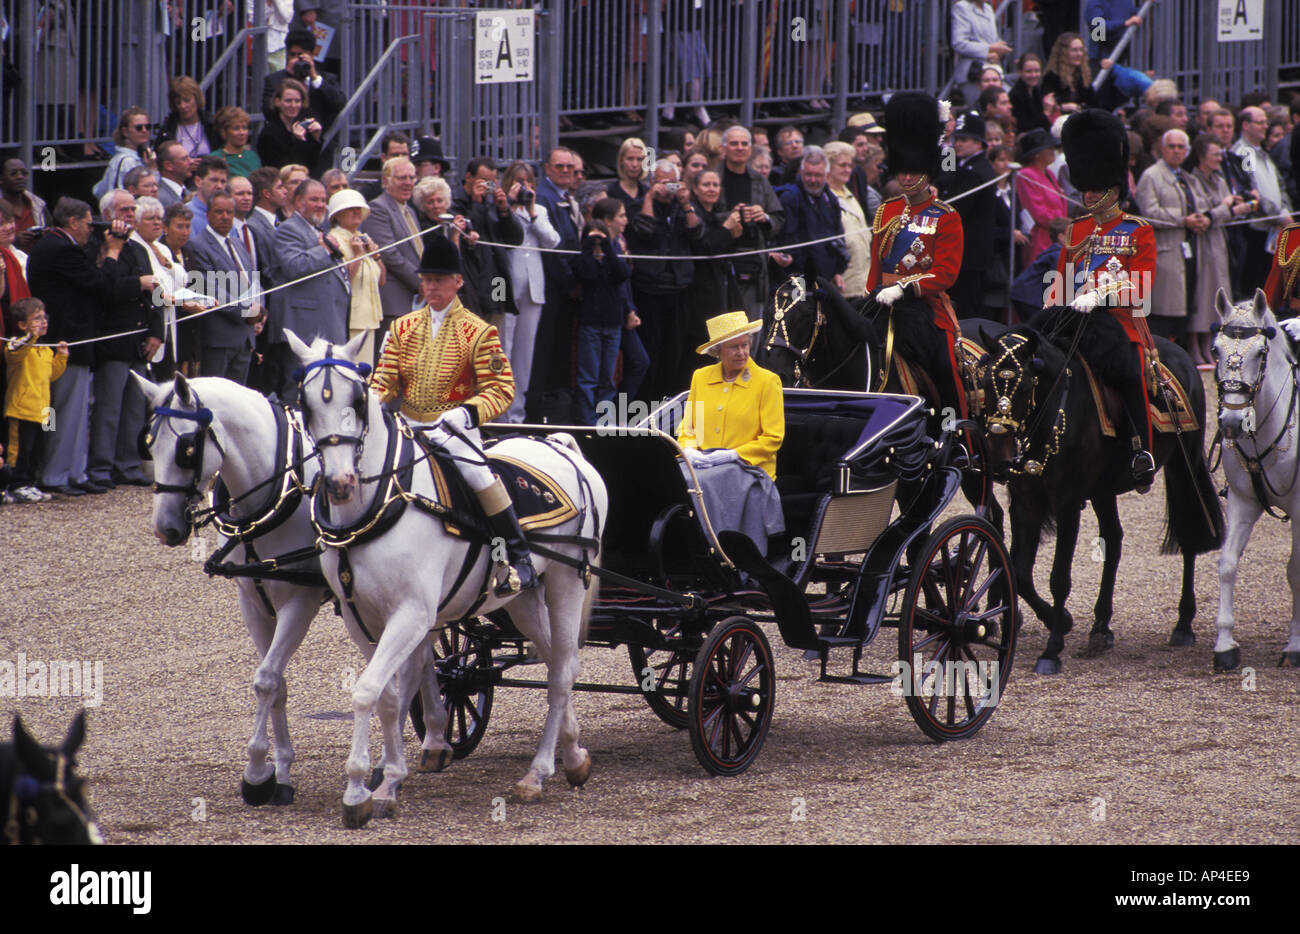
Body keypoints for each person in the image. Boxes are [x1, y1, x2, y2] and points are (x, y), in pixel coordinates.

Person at [369, 234, 537, 596]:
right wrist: (367, 403)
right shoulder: (401, 327)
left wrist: (466, 414)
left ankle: (516, 555)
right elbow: (385, 378)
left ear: (457, 282)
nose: (430, 287)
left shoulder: (479, 331)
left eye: (438, 281)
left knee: (478, 474)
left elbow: (501, 388)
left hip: (454, 430)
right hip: (408, 426)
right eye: (426, 280)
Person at [1052, 109, 1158, 490]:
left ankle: (1142, 451)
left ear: (1114, 188)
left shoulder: (1137, 230)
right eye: (1087, 189)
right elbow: (1063, 278)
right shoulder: (1077, 227)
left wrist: (1099, 296)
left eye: (1097, 189)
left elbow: (1140, 288)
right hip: (1075, 320)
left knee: (1130, 376)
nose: (1090, 195)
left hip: (1119, 324)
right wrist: (1054, 302)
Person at [25, 198, 156, 496]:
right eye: (88, 223)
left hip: (73, 340)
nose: (90, 230)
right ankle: (56, 473)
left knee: (75, 412)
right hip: (67, 339)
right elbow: (101, 285)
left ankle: (72, 471)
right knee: (65, 411)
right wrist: (112, 251)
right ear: (73, 223)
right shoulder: (62, 249)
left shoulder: (57, 247)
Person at [866, 92, 967, 433]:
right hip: (882, 304)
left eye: (914, 172)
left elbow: (946, 274)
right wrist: (874, 293)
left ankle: (959, 435)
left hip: (925, 310)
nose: (907, 178)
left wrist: (904, 289)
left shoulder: (946, 217)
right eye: (902, 172)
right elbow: (876, 263)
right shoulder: (888, 209)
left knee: (946, 369)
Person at [676, 311, 785, 555]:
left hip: (749, 468)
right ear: (717, 351)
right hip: (705, 462)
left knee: (702, 483)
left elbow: (773, 438)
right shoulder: (701, 377)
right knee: (672, 477)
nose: (742, 352)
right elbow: (689, 426)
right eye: (734, 347)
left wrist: (733, 455)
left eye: (745, 345)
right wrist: (689, 448)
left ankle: (714, 553)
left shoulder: (767, 381)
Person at [88, 189, 163, 488]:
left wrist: (157, 332)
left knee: (135, 407)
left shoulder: (139, 249)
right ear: (107, 215)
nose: (131, 215)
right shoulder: (98, 246)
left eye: (133, 210)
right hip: (113, 337)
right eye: (124, 210)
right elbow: (104, 289)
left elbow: (155, 290)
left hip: (139, 338)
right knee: (108, 408)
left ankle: (128, 463)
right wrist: (136, 283)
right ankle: (101, 468)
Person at [626, 158, 698, 403]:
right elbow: (643, 231)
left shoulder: (683, 207)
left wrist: (687, 204)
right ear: (651, 182)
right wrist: (649, 198)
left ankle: (669, 402)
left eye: (672, 183)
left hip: (679, 289)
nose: (667, 188)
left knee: (675, 352)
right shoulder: (638, 205)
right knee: (650, 352)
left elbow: (698, 235)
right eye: (662, 182)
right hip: (649, 290)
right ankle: (645, 403)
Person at [273, 179, 350, 399]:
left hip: (325, 325)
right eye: (314, 199)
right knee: (297, 387)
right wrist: (324, 249)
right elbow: (294, 267)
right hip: (303, 327)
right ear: (298, 202)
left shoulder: (316, 230)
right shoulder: (289, 229)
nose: (320, 204)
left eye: (323, 200)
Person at [499, 160, 560, 423]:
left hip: (533, 290)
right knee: (503, 348)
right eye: (518, 183)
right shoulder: (500, 208)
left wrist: (533, 212)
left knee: (524, 355)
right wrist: (511, 205)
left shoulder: (541, 210)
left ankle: (517, 415)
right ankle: (498, 414)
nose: (524, 188)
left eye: (528, 183)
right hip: (506, 287)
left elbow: (553, 241)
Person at [1134, 129, 1204, 345]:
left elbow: (1201, 201)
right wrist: (1182, 219)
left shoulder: (1186, 176)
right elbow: (1148, 211)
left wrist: (1202, 217)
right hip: (1164, 249)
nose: (1176, 151)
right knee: (1163, 308)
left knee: (1184, 304)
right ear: (1162, 149)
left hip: (1188, 247)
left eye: (1180, 147)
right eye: (1171, 146)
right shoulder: (1151, 175)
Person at [187, 190, 261, 384]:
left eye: (229, 212)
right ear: (207, 214)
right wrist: (247, 311)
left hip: (245, 337)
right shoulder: (197, 245)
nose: (225, 217)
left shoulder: (237, 243)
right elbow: (209, 287)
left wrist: (260, 308)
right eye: (219, 212)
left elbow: (253, 279)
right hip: (219, 337)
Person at [1187, 133, 1246, 364]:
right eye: (1215, 154)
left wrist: (1232, 209)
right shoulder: (1193, 179)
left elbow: (1220, 214)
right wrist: (1226, 207)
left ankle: (1209, 342)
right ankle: (1194, 344)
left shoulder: (1220, 179)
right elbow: (1205, 214)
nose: (1220, 158)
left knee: (1218, 291)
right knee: (1201, 293)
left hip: (1218, 241)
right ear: (1202, 156)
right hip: (1201, 242)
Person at [717, 125, 784, 325]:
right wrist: (730, 217)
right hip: (719, 263)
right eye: (734, 143)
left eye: (744, 144)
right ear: (724, 149)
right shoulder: (713, 177)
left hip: (754, 264)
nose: (739, 148)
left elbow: (778, 219)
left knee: (751, 327)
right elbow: (702, 216)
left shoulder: (760, 180)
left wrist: (763, 217)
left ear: (750, 149)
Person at [4, 299, 66, 503]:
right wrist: (31, 336)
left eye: (44, 317)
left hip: (45, 410)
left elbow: (51, 376)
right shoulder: (17, 345)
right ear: (23, 325)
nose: (44, 321)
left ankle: (31, 482)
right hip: (21, 410)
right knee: (19, 450)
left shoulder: (46, 350)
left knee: (39, 449)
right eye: (37, 318)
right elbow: (14, 351)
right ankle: (16, 484)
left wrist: (61, 357)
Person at [361, 156, 423, 361]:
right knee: (388, 365)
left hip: (411, 300)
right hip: (392, 302)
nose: (408, 182)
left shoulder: (410, 211)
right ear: (386, 181)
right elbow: (389, 253)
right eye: (401, 177)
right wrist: (420, 282)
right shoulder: (378, 208)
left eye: (411, 177)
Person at [685, 168, 744, 382]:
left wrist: (732, 234)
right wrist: (727, 230)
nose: (712, 189)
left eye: (715, 185)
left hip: (719, 290)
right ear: (695, 189)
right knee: (701, 350)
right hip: (698, 295)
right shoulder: (694, 212)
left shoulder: (713, 214)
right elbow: (705, 247)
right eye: (706, 185)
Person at [1232, 106, 1295, 298]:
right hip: (1255, 228)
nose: (1265, 126)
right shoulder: (1242, 153)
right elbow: (1251, 189)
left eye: (1266, 122)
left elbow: (1280, 186)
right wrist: (1278, 215)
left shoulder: (1264, 153)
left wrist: (1285, 212)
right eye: (1260, 122)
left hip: (1273, 226)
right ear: (1245, 125)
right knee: (1253, 284)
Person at [452, 158, 523, 328]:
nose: (488, 187)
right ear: (469, 177)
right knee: (471, 332)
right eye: (484, 181)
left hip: (497, 278)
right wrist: (476, 203)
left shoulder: (493, 203)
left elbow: (515, 240)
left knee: (494, 331)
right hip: (473, 278)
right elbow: (467, 232)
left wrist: (504, 210)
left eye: (493, 182)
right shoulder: (455, 202)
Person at [943, 112, 999, 319]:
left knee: (966, 308)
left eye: (963, 139)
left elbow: (955, 206)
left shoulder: (977, 171)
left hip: (969, 255)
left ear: (978, 142)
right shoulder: (963, 164)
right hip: (966, 254)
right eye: (956, 139)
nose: (957, 144)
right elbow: (944, 177)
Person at [775, 146, 847, 292]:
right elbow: (789, 240)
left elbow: (838, 236)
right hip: (797, 278)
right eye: (808, 174)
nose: (813, 180)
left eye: (818, 175)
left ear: (826, 175)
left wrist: (837, 271)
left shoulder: (830, 199)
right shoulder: (789, 197)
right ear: (801, 172)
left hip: (825, 277)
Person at [328, 189, 385, 367]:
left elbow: (381, 280)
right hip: (350, 319)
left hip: (369, 318)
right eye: (350, 208)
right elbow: (343, 280)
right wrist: (358, 255)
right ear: (337, 214)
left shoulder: (363, 238)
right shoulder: (334, 239)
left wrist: (376, 256)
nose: (356, 212)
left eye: (359, 208)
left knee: (365, 370)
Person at [824, 142, 871, 298]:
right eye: (842, 165)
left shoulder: (849, 194)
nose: (847, 170)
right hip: (843, 283)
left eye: (849, 165)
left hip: (862, 280)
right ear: (828, 167)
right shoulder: (824, 198)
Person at [1015, 128, 1067, 267]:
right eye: (1049, 148)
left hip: (1058, 237)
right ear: (1037, 154)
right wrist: (1062, 222)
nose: (1053, 151)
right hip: (1041, 240)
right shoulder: (1026, 174)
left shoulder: (1048, 172)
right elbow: (1038, 212)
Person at [951, 0, 1010, 109]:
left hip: (993, 68)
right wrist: (988, 50)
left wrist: (999, 50)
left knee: (1007, 100)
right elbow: (959, 43)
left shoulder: (988, 8)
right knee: (984, 109)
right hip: (972, 74)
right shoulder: (961, 7)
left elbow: (993, 39)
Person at [256, 78, 324, 172]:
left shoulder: (300, 127)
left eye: (297, 101)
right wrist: (299, 141)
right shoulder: (269, 133)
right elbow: (286, 169)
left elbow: (312, 164)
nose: (293, 105)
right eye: (288, 101)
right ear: (277, 102)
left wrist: (315, 138)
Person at [155, 76, 221, 166]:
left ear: (196, 99)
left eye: (187, 100)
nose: (183, 106)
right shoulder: (168, 129)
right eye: (178, 102)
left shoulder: (211, 125)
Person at [93, 107, 156, 200]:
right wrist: (153, 170)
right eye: (139, 127)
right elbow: (149, 192)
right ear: (125, 131)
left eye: (148, 127)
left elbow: (98, 190)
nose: (144, 130)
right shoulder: (127, 161)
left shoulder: (120, 158)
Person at [1043, 33, 1098, 115]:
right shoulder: (1051, 77)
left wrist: (1080, 107)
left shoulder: (1082, 76)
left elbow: (1095, 105)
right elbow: (1048, 107)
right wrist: (1064, 107)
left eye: (1081, 50)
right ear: (1063, 53)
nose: (1079, 54)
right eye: (1074, 50)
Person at [1, 158, 51, 247]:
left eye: (24, 173)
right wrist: (13, 241)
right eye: (13, 174)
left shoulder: (39, 205)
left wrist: (46, 236)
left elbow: (52, 232)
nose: (20, 177)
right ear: (1, 179)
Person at [0, 202, 32, 331]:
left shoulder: (20, 257)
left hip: (16, 332)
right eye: (1, 224)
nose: (9, 227)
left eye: (11, 221)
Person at [187, 155, 230, 239]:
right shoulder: (186, 216)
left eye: (223, 182)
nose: (219, 186)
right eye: (214, 180)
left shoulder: (228, 217)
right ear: (198, 181)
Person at [214, 106, 262, 179]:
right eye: (236, 128)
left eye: (244, 128)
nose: (242, 132)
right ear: (224, 132)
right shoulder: (215, 158)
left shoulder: (253, 156)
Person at [606, 138, 649, 213]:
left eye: (639, 159)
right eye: (630, 159)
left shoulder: (647, 193)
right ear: (621, 160)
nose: (634, 164)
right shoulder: (610, 192)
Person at [154, 141, 192, 209]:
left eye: (189, 157)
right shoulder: (158, 198)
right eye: (184, 159)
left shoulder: (190, 195)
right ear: (168, 165)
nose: (191, 161)